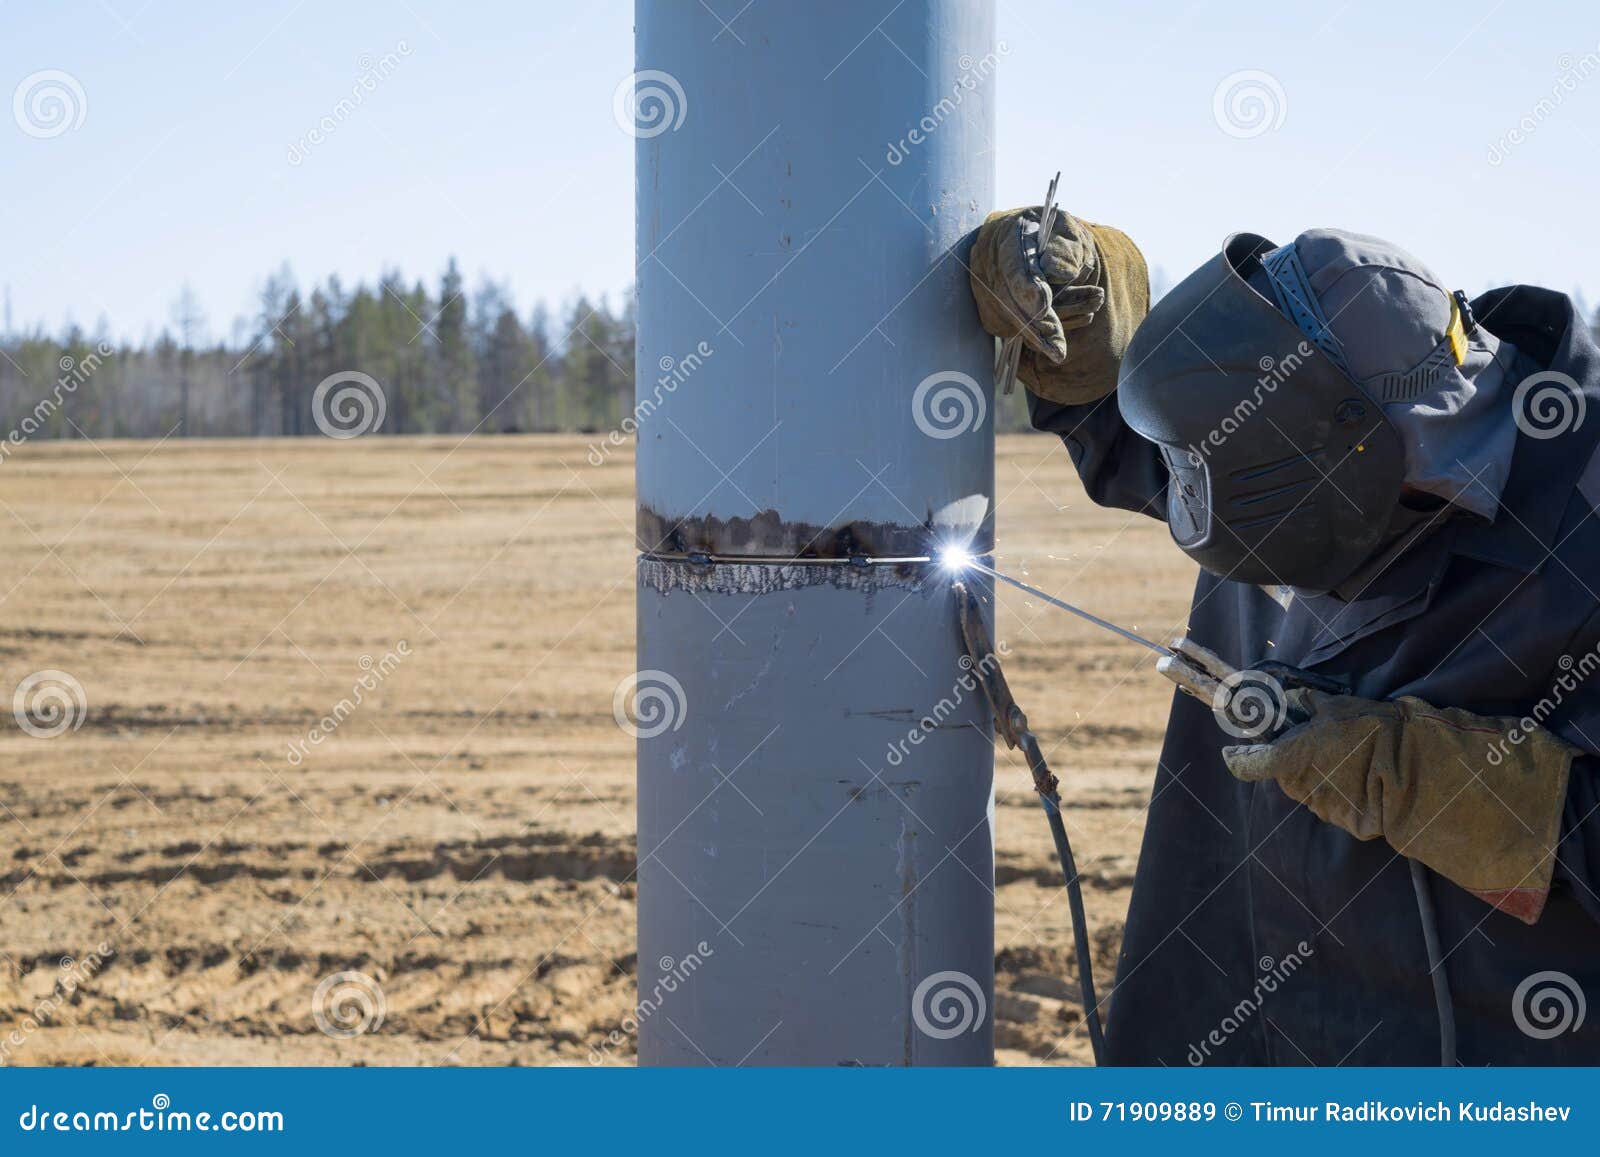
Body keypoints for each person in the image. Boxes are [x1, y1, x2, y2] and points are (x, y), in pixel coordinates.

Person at [968, 207, 1600, 1064]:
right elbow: (1199, 464)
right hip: (1251, 1018)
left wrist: (1453, 789)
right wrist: (1088, 330)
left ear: (1374, 467)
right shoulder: (1342, 433)